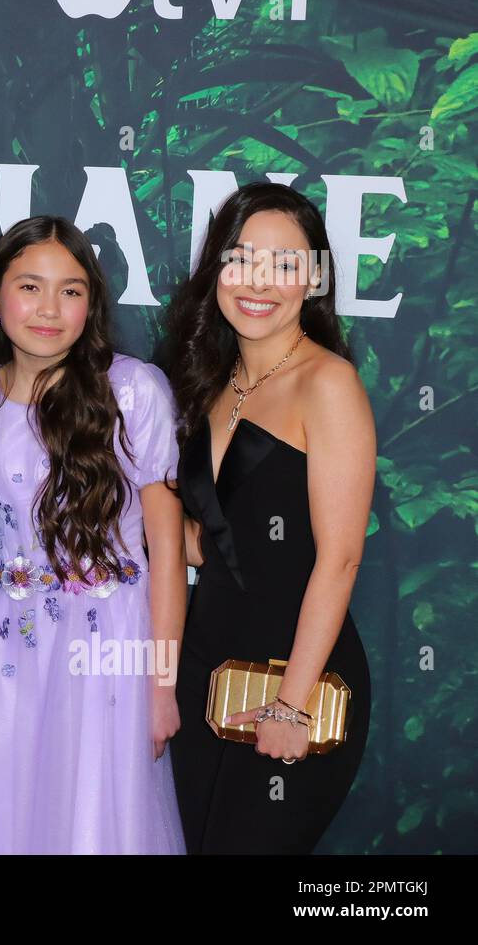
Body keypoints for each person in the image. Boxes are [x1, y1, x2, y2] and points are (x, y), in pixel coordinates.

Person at [0, 216, 186, 854]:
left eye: (71, 291)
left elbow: (168, 549)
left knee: (95, 821)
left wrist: (162, 686)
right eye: (30, 287)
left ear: (91, 303)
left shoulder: (132, 390)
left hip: (110, 645)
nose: (50, 309)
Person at [163, 181, 374, 854]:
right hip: (204, 674)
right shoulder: (214, 381)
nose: (260, 281)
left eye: (284, 263)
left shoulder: (327, 382)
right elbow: (214, 545)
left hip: (296, 677)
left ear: (313, 278)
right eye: (243, 257)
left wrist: (291, 702)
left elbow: (339, 559)